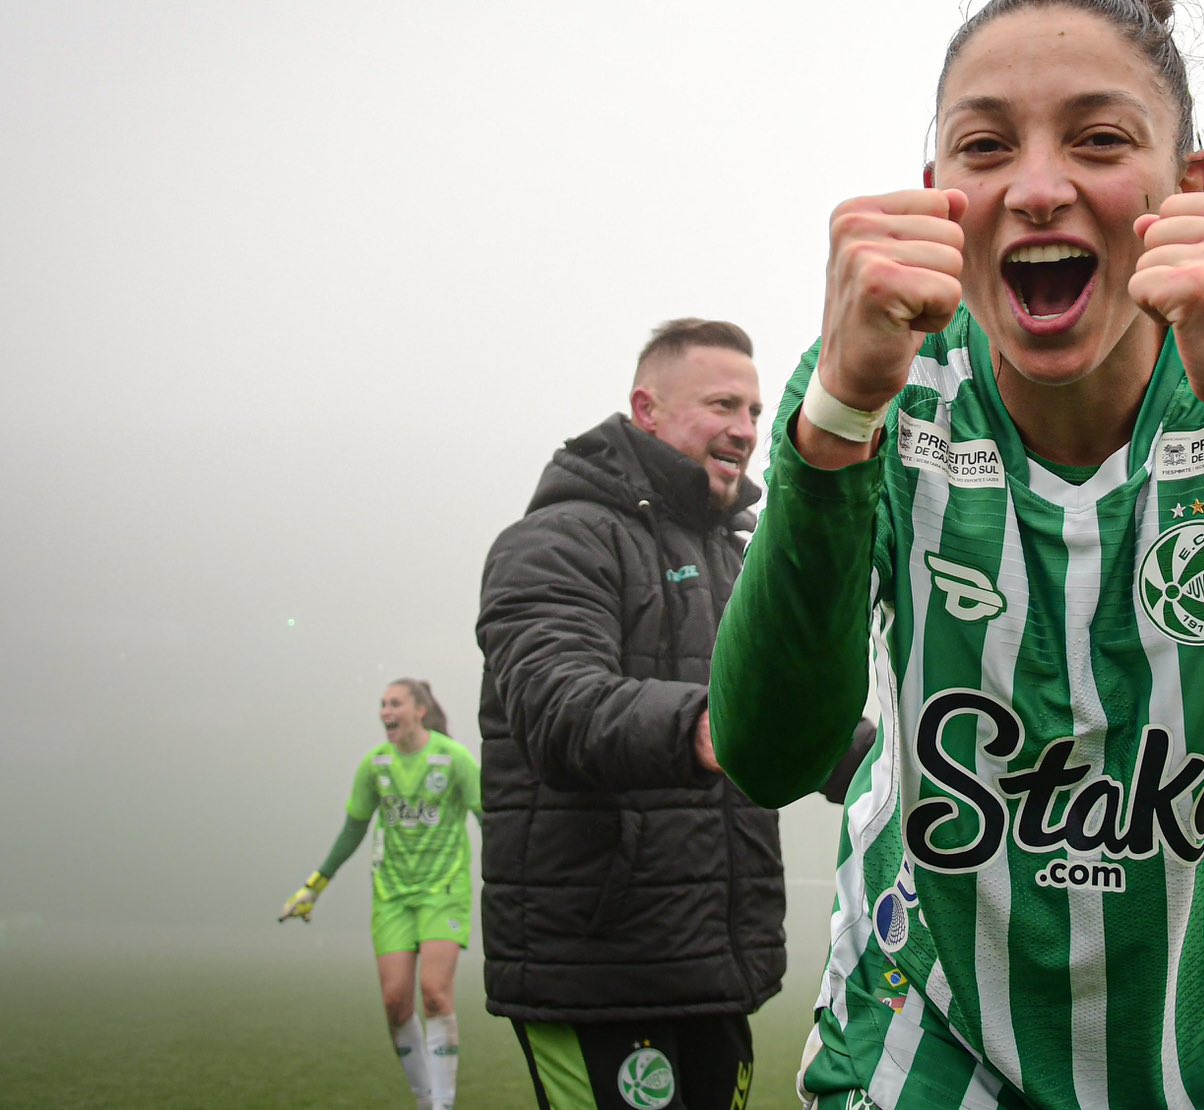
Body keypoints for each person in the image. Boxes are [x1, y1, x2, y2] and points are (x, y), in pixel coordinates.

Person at [708, 0, 1204, 1110]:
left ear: (1187, 187)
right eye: (986, 147)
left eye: (1098, 141)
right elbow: (769, 750)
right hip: (916, 1052)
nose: (1038, 187)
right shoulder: (880, 386)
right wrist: (836, 419)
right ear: (933, 193)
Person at [476, 317, 875, 1110]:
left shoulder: (741, 556)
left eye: (758, 413)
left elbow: (790, 720)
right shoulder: (555, 541)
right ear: (645, 409)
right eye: (723, 404)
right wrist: (726, 726)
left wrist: (901, 769)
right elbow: (560, 708)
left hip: (718, 967)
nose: (746, 430)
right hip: (601, 968)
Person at [279, 677, 480, 1110]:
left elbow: (489, 819)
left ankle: (442, 1105)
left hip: (443, 890)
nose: (386, 711)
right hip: (392, 896)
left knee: (435, 993)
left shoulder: (453, 759)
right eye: (382, 704)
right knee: (395, 1002)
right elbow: (354, 829)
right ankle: (425, 1099)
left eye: (395, 703)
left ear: (419, 711)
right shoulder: (375, 766)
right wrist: (314, 887)